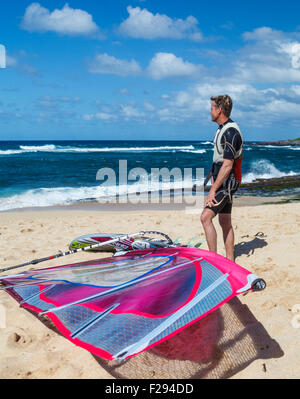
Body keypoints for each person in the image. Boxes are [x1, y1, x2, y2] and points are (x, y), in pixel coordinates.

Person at [200, 95, 243, 261]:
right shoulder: (222, 129)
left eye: (212, 108)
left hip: (227, 183)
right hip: (224, 182)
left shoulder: (231, 132)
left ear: (220, 110)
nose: (210, 111)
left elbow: (227, 165)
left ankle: (214, 260)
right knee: (225, 221)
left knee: (205, 218)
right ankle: (230, 261)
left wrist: (213, 190)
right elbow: (219, 163)